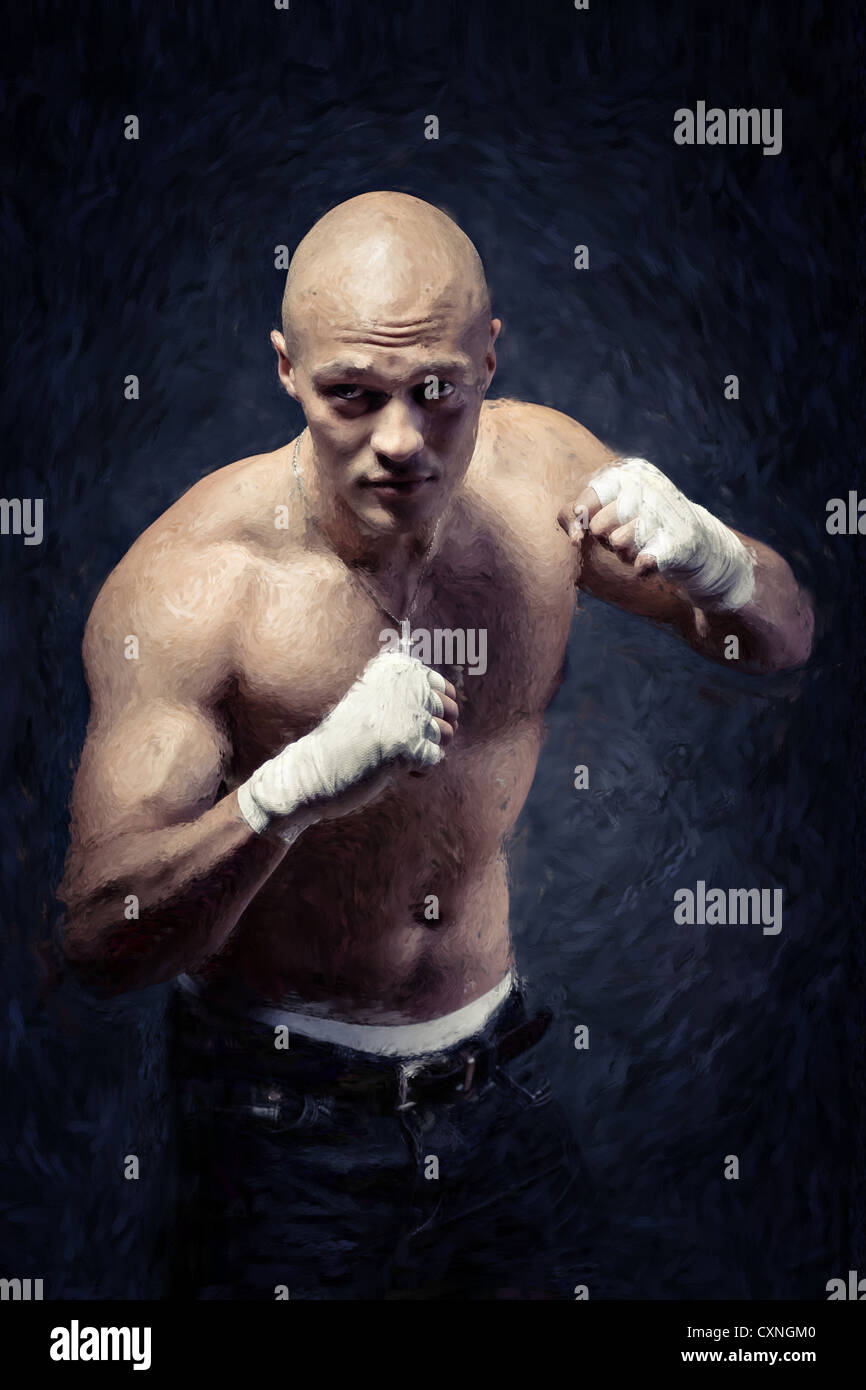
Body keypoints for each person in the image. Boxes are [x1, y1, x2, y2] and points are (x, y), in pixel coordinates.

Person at [58, 191, 814, 1299]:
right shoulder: (194, 589)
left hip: (497, 1086)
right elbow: (93, 936)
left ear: (489, 359)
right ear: (284, 369)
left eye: (437, 392)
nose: (400, 441)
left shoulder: (543, 480)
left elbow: (786, 641)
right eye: (351, 397)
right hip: (277, 1129)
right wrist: (288, 791)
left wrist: (719, 562)